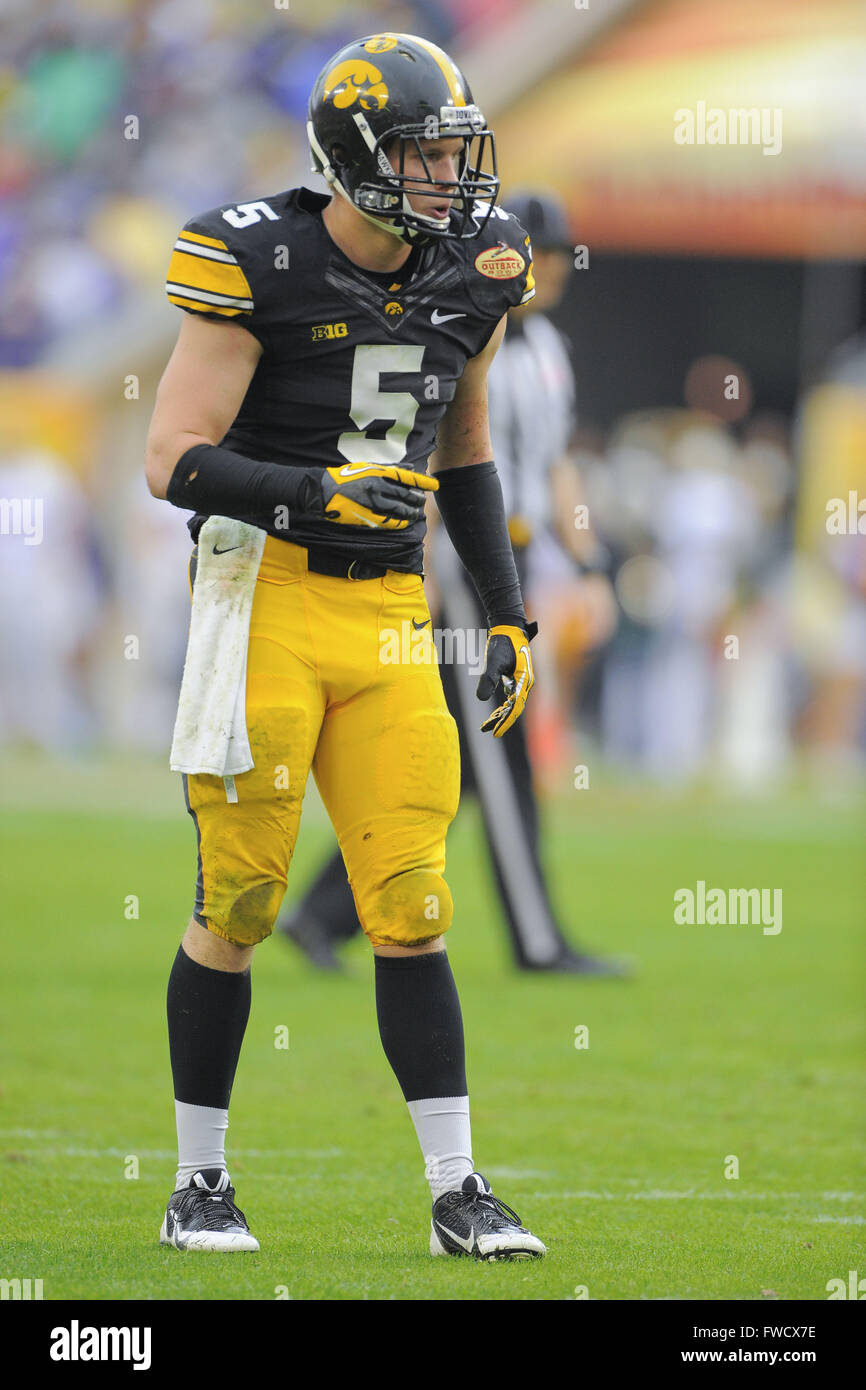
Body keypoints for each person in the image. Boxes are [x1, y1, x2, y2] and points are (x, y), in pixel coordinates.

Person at [145, 32, 546, 1259]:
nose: (448, 180)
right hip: (257, 599)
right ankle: (199, 1182)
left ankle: (457, 1192)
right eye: (424, 157)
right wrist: (310, 495)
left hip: (387, 618)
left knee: (412, 905)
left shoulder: (474, 268)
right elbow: (172, 460)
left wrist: (506, 606)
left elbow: (464, 444)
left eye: (452, 155)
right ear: (356, 159)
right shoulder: (254, 254)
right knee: (243, 899)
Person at [279, 190, 626, 974]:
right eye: (542, 253)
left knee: (468, 765)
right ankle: (538, 941)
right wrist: (427, 577)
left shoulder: (547, 353)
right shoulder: (474, 336)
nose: (553, 269)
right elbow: (449, 465)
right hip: (472, 563)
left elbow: (554, 464)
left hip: (519, 562)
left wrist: (589, 560)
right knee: (501, 758)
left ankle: (319, 913)